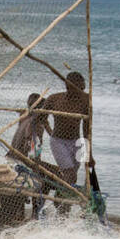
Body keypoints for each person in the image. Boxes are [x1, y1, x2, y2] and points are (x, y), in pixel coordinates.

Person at [39, 71, 92, 213]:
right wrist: (49, 131)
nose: (81, 92)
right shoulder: (54, 99)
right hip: (58, 141)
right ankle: (63, 207)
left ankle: (62, 201)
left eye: (83, 89)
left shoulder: (85, 100)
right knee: (69, 174)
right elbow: (41, 118)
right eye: (78, 89)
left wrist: (89, 154)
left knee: (71, 177)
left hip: (77, 141)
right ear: (69, 87)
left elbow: (86, 128)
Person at [7, 92, 47, 220]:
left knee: (41, 173)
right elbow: (30, 150)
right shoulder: (36, 125)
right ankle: (35, 213)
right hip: (21, 162)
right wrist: (36, 165)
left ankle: (21, 212)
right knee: (44, 181)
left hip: (11, 158)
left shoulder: (24, 117)